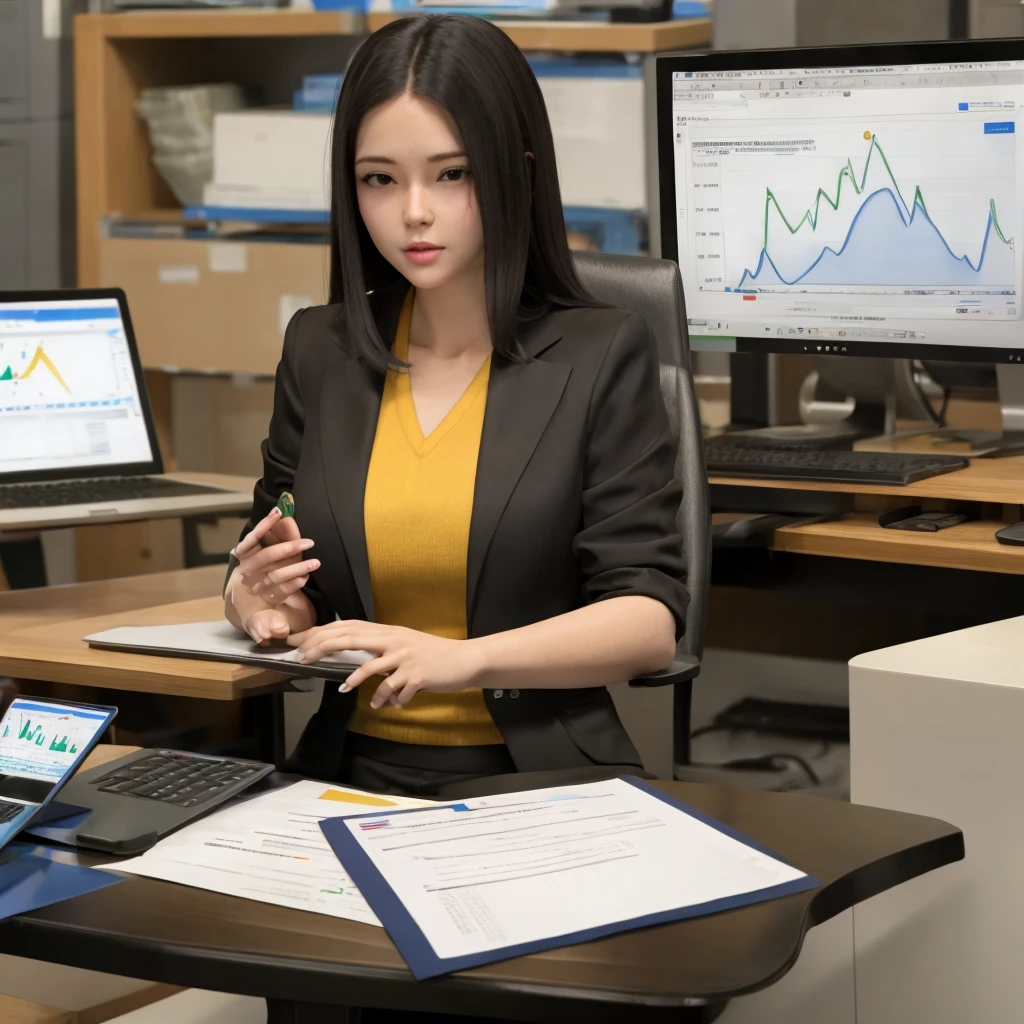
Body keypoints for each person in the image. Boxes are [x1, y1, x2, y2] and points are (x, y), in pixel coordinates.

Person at [224, 14, 688, 799]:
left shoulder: (601, 352)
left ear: (517, 171)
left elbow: (648, 621)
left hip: (536, 776)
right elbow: (279, 555)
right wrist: (254, 597)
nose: (413, 212)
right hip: (347, 771)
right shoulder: (319, 350)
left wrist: (461, 657)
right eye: (380, 178)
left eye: (452, 174)